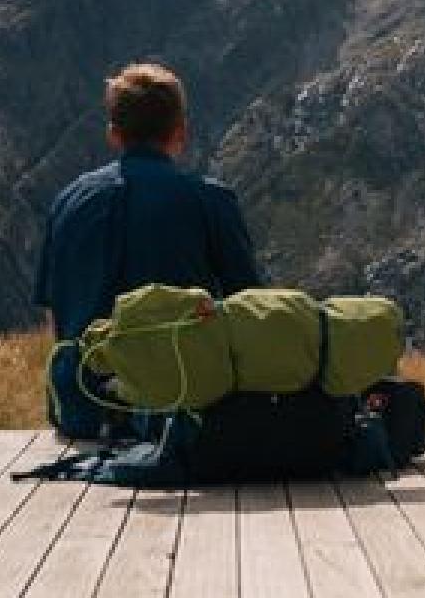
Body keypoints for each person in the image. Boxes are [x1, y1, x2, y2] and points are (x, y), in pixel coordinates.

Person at [33, 62, 263, 437]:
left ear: (113, 134)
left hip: (84, 414)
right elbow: (250, 309)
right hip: (183, 411)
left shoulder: (67, 202)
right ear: (180, 132)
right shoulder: (211, 201)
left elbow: (55, 317)